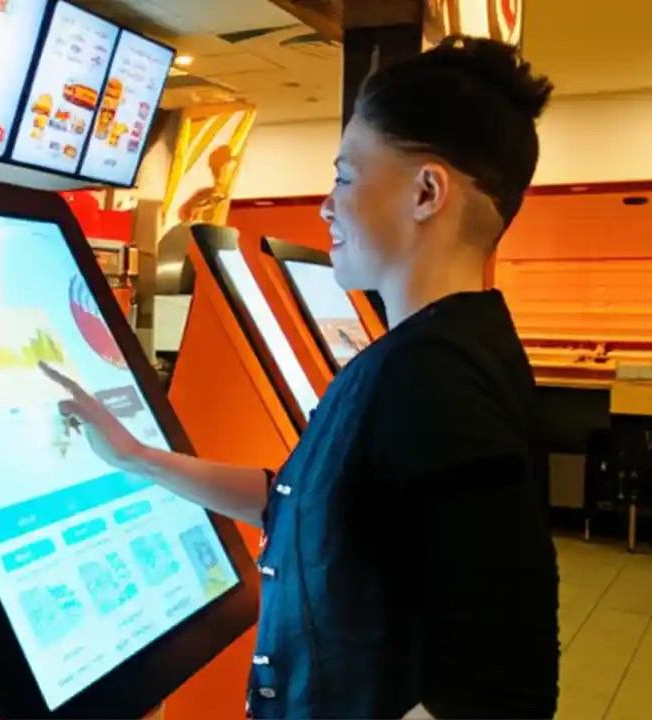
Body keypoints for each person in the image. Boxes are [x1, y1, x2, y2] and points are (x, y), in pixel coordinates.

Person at [43, 35, 560, 719]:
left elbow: (498, 689)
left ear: (427, 192)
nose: (326, 206)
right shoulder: (432, 352)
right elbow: (301, 503)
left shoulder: (437, 379)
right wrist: (139, 458)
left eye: (346, 177)